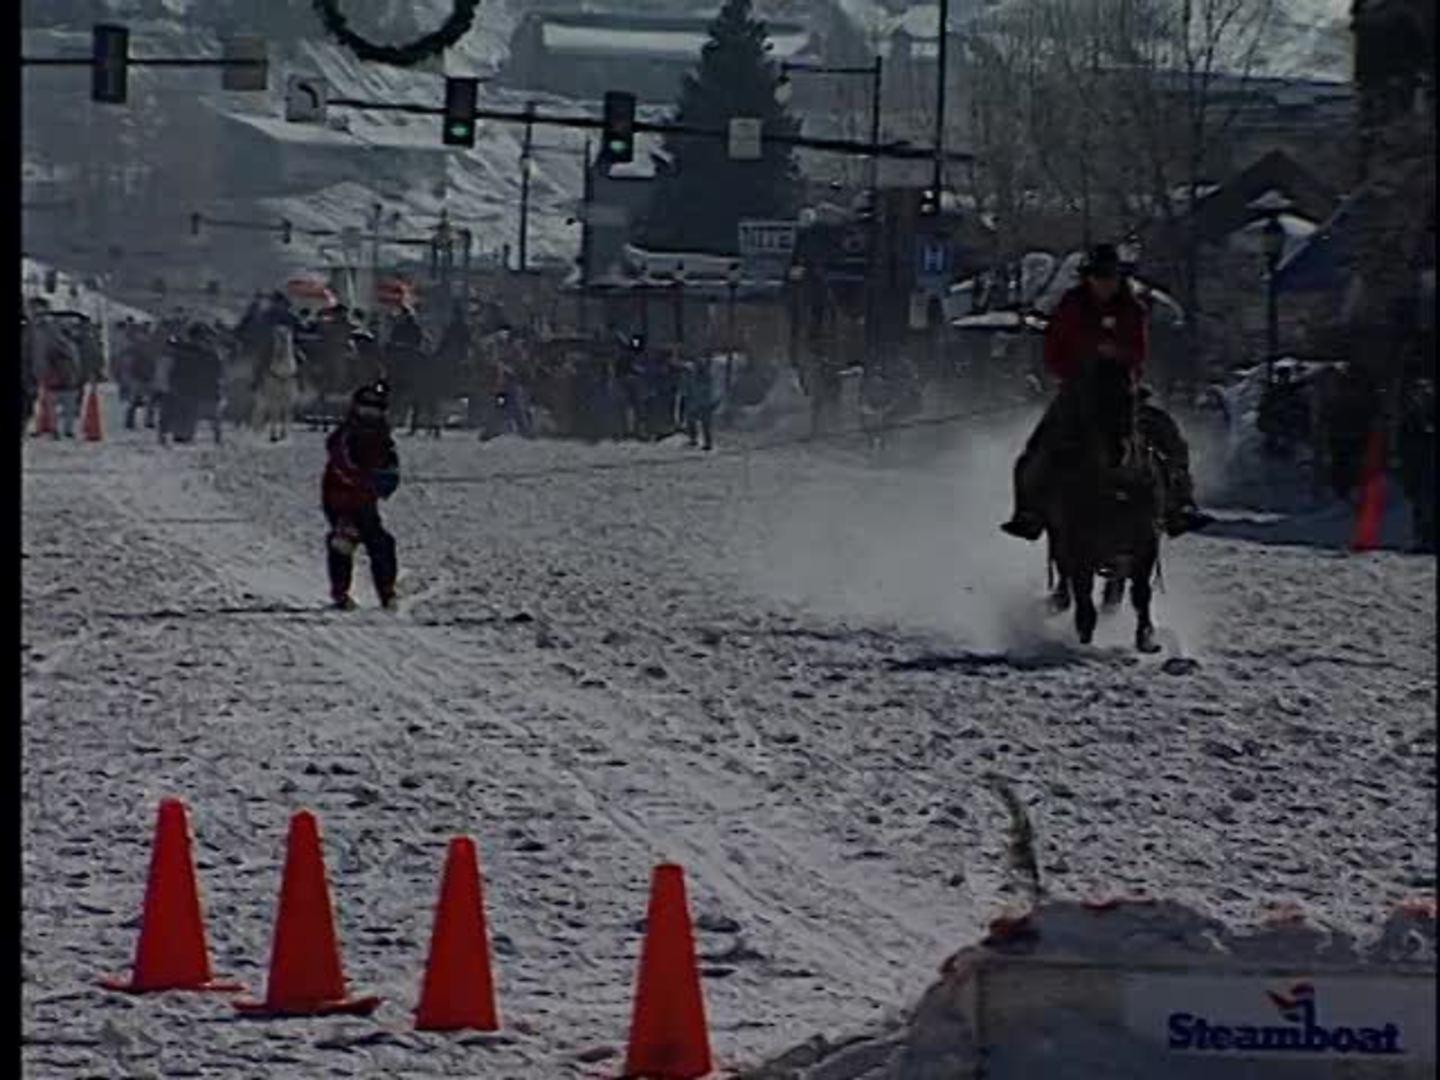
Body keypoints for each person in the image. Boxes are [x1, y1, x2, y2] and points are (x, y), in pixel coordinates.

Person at [1001, 243, 1214, 541]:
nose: (1105, 283)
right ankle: (1029, 511)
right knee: (1038, 447)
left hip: (1122, 388)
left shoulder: (1132, 309)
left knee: (1168, 437)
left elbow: (1138, 352)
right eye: (1099, 277)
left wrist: (1116, 356)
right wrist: (1075, 367)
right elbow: (1053, 351)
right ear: (1088, 278)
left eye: (1110, 277)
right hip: (1078, 388)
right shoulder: (1070, 306)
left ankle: (1179, 505)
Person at [322, 382, 401, 611]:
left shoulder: (383, 438)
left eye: (376, 408)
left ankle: (387, 592)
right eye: (366, 407)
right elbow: (341, 462)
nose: (370, 413)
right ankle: (340, 593)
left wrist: (387, 481)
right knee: (343, 540)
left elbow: (391, 465)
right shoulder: (345, 435)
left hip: (365, 502)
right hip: (339, 499)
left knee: (382, 543)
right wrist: (362, 479)